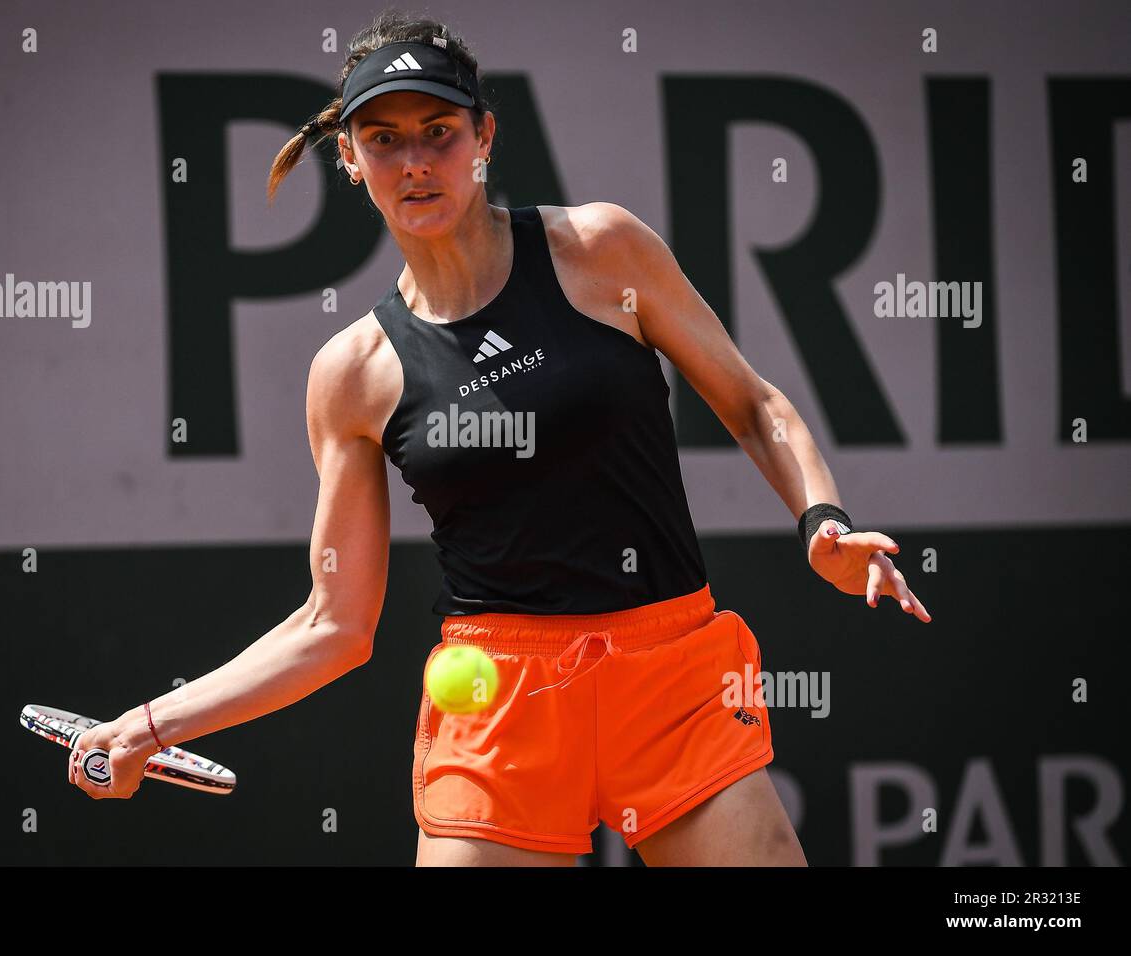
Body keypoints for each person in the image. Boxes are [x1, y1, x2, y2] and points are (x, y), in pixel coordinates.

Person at [68, 10, 931, 867]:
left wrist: (822, 519)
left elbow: (754, 405)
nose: (414, 162)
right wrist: (149, 725)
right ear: (351, 159)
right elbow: (334, 624)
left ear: (484, 135)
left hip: (670, 678)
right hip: (499, 705)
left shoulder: (603, 251)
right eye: (383, 139)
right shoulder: (354, 372)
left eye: (439, 132)